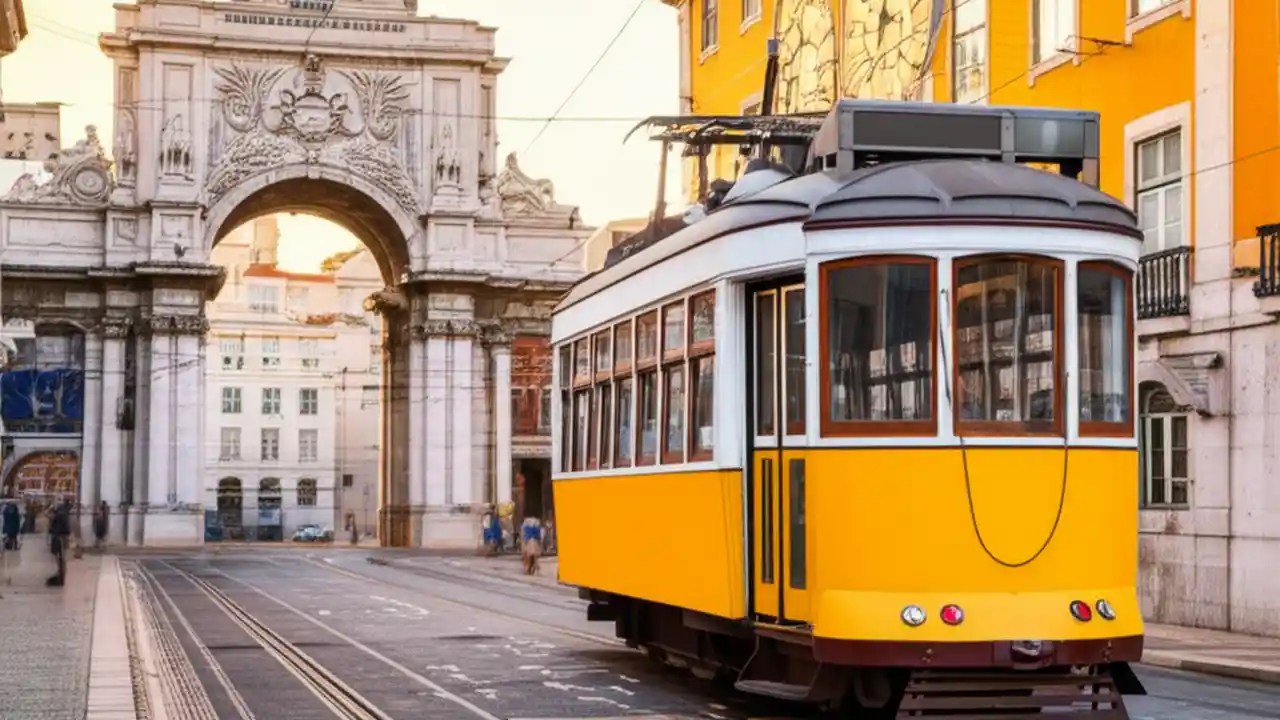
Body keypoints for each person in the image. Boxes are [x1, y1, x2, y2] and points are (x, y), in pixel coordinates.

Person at [46, 499, 72, 587]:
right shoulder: (64, 513)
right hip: (63, 536)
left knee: (58, 556)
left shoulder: (59, 514)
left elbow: (47, 514)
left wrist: (50, 508)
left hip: (58, 536)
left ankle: (61, 574)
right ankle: (62, 574)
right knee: (62, 556)